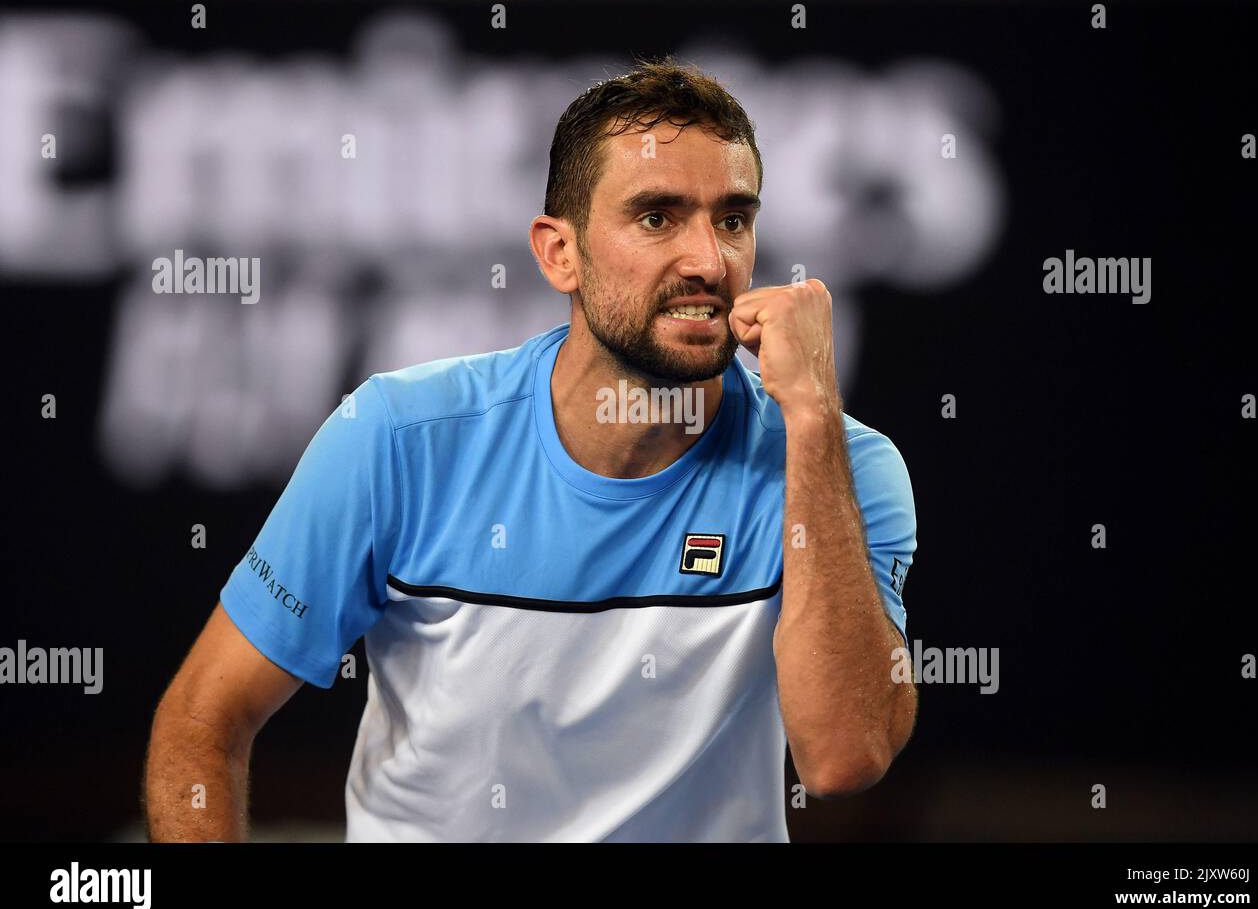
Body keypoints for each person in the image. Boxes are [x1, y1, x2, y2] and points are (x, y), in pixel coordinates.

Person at [145, 56, 918, 842]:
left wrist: (814, 418)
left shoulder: (837, 467)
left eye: (732, 219)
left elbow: (844, 758)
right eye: (657, 217)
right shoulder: (395, 438)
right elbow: (204, 718)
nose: (709, 262)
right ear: (559, 253)